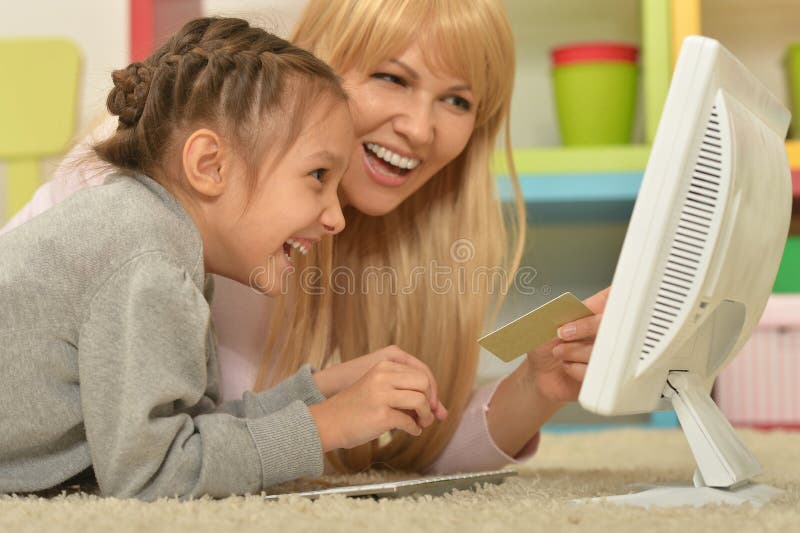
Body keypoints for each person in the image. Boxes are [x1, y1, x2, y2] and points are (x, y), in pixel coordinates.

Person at [2, 0, 608, 476]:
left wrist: (538, 383)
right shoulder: (166, 196)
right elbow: (165, 458)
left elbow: (393, 453)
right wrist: (328, 417)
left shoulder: (274, 218)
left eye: (456, 99)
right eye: (391, 77)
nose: (420, 128)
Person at [0, 17, 447, 500]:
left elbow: (188, 430)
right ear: (210, 165)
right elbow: (151, 475)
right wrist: (325, 427)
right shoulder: (145, 262)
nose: (337, 218)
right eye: (318, 175)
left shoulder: (157, 239)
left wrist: (317, 393)